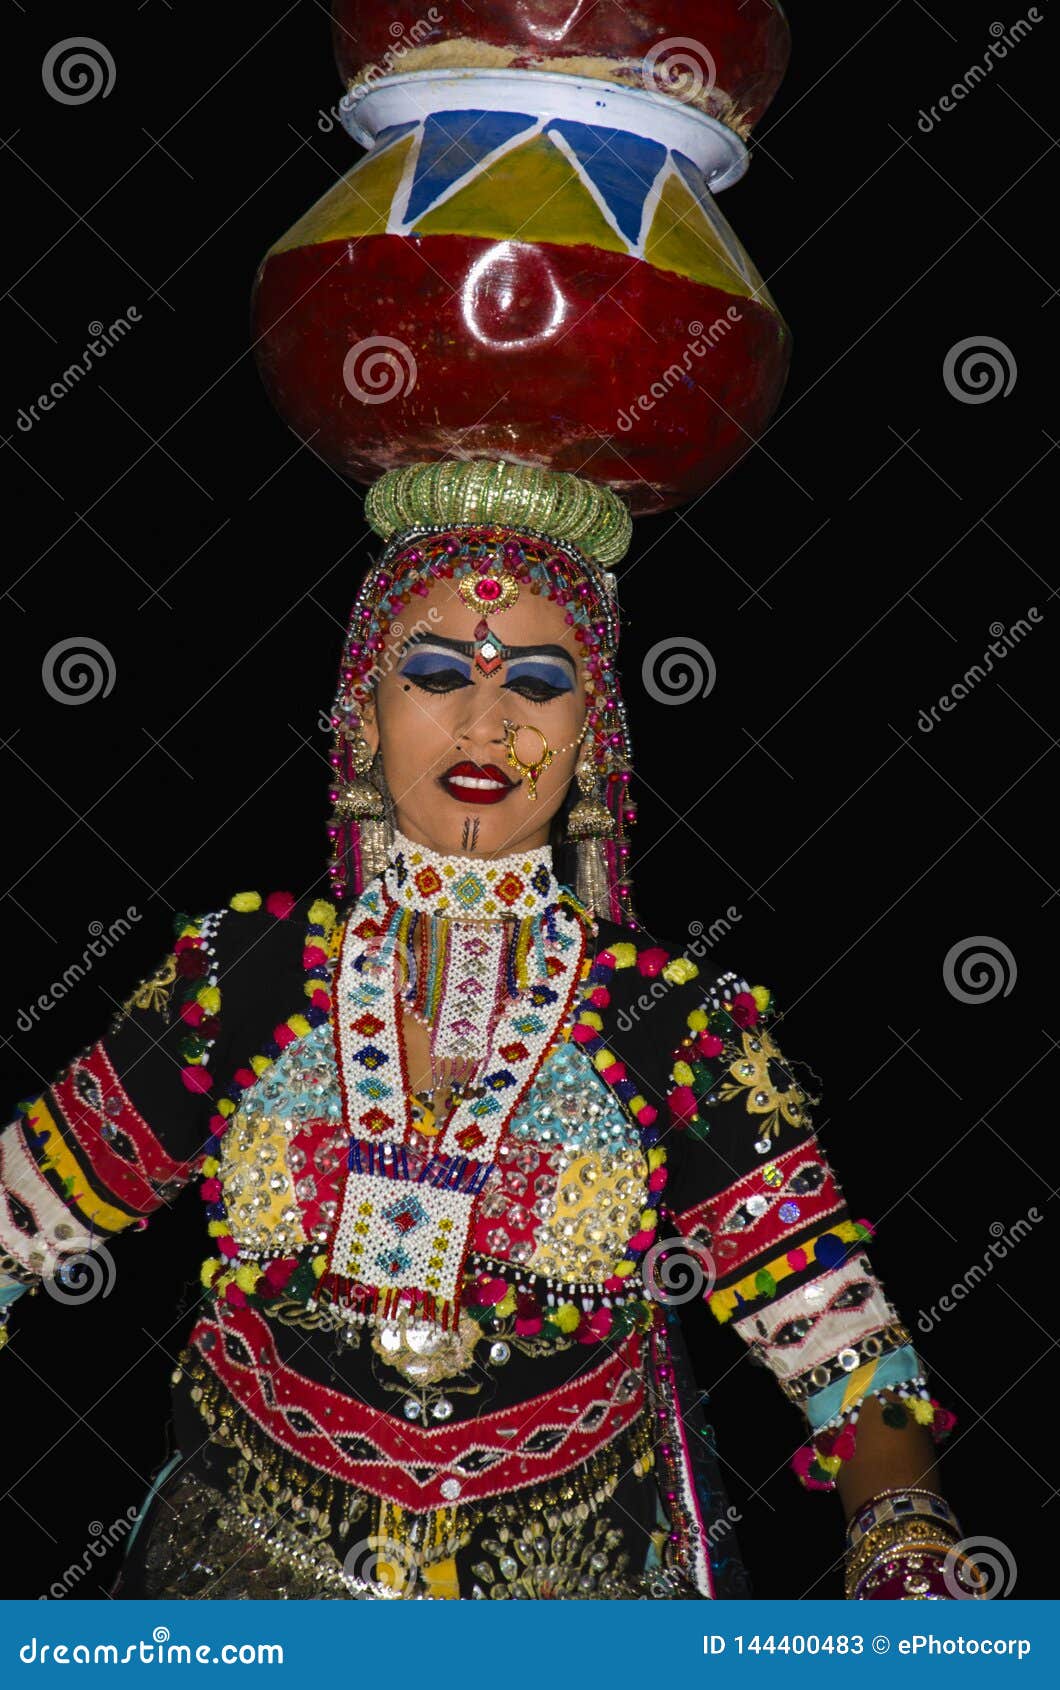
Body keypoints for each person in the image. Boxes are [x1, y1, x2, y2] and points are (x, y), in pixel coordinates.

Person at [0, 462, 979, 1601]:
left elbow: (841, 1344)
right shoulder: (241, 975)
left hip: (572, 1610)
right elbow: (19, 1223)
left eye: (538, 684)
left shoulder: (673, 1021)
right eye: (433, 674)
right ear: (361, 714)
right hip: (241, 1603)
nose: (485, 723)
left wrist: (905, 1537)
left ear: (592, 733)